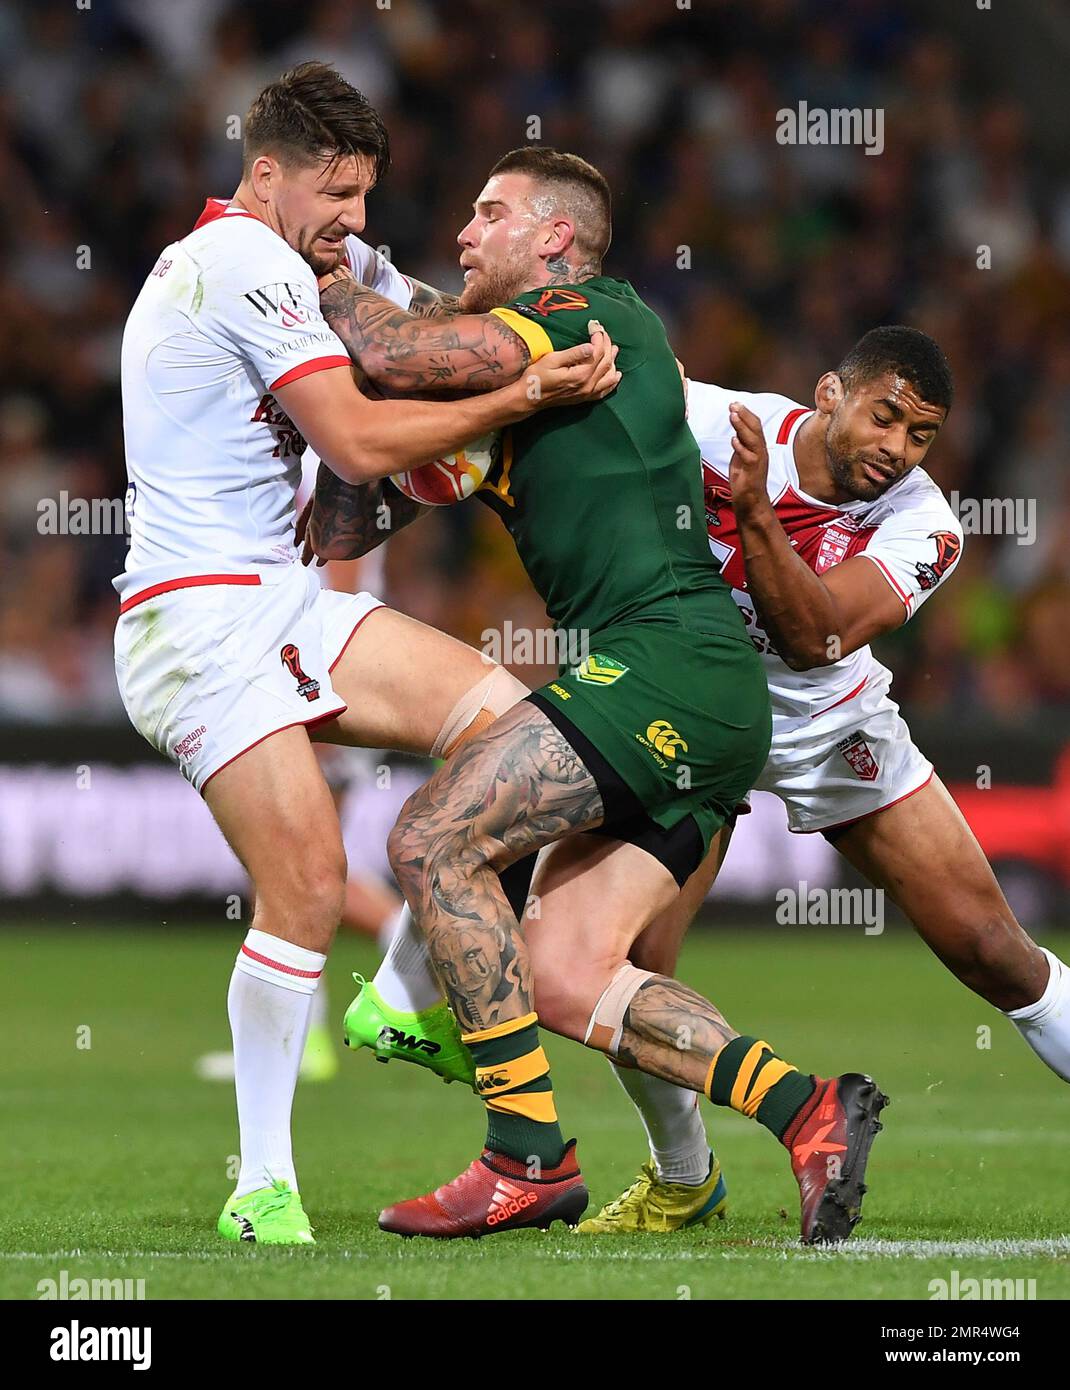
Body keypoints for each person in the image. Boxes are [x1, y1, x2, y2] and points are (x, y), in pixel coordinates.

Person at [354, 328, 1070, 1237]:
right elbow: (584, 385)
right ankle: (684, 1178)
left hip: (831, 731)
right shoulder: (709, 423)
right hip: (694, 716)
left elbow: (817, 639)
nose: (896, 448)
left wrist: (755, 515)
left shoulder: (926, 525)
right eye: (884, 415)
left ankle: (426, 1006)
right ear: (828, 393)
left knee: (993, 954)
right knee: (622, 969)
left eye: (920, 435)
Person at [306, 147, 890, 1244]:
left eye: (490, 213)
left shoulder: (591, 313)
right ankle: (806, 1110)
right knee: (567, 976)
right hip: (699, 691)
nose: (466, 232)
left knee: (434, 838)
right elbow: (364, 486)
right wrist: (363, 385)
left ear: (555, 241)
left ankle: (524, 1159)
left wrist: (318, 270)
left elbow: (397, 341)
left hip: (665, 660)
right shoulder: (522, 382)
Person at [114, 62, 619, 1246]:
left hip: (279, 598)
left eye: (365, 195)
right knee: (300, 879)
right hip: (192, 620)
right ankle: (262, 1185)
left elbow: (433, 328)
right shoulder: (237, 261)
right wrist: (521, 395)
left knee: (519, 736)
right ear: (267, 171)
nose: (353, 218)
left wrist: (536, 327)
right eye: (335, 193)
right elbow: (350, 440)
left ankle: (398, 996)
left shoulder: (313, 258)